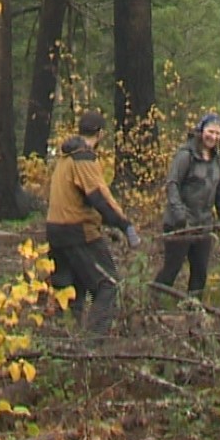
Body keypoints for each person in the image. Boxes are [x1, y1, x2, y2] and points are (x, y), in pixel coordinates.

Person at [45, 110, 140, 334]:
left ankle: (63, 341)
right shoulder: (83, 158)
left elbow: (79, 198)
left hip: (56, 230)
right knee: (108, 285)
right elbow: (99, 197)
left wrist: (108, 225)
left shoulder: (65, 158)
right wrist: (125, 225)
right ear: (100, 134)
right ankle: (92, 345)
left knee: (71, 290)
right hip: (78, 232)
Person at [154, 112, 220, 299]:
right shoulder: (185, 156)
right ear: (201, 130)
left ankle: (192, 311)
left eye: (218, 134)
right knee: (172, 268)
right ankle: (154, 303)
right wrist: (179, 213)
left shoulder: (218, 163)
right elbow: (172, 184)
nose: (213, 137)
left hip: (203, 225)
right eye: (210, 132)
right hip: (179, 224)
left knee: (200, 272)